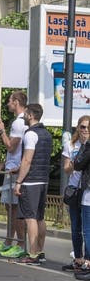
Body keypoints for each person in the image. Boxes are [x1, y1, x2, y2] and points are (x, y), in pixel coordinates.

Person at [13, 103, 53, 264]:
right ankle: (40, 251)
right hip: (43, 179)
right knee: (40, 218)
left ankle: (33, 253)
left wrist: (18, 181)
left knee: (30, 218)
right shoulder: (47, 134)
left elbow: (28, 159)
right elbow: (38, 159)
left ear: (30, 115)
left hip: (31, 182)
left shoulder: (30, 134)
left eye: (25, 115)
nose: (23, 118)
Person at [0, 91, 28, 258]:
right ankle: (8, 241)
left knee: (15, 209)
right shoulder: (24, 122)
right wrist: (4, 163)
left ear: (16, 102)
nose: (7, 104)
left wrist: (1, 131)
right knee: (10, 207)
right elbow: (17, 152)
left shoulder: (18, 123)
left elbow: (11, 147)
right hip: (12, 168)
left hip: (15, 173)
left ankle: (20, 243)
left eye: (9, 101)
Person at [62, 115, 90, 271]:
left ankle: (87, 260)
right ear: (77, 128)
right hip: (74, 189)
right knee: (76, 227)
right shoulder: (71, 145)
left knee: (87, 228)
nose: (84, 130)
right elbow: (67, 168)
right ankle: (78, 259)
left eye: (87, 127)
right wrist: (75, 162)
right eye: (82, 127)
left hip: (86, 189)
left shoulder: (89, 145)